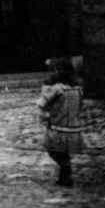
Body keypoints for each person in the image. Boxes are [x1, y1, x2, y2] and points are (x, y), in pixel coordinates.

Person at [38, 57, 85, 187]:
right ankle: (64, 177)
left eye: (53, 71)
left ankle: (65, 170)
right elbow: (79, 106)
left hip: (58, 128)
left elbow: (41, 103)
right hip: (74, 129)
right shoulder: (78, 89)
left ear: (59, 72)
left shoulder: (57, 88)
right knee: (63, 152)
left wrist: (46, 114)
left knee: (51, 149)